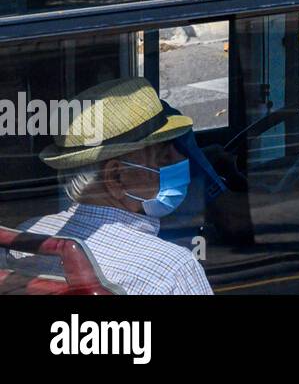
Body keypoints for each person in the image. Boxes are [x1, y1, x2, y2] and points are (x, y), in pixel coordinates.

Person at [21, 77, 213, 294]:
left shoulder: (27, 235)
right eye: (163, 157)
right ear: (116, 178)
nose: (180, 159)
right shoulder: (172, 269)